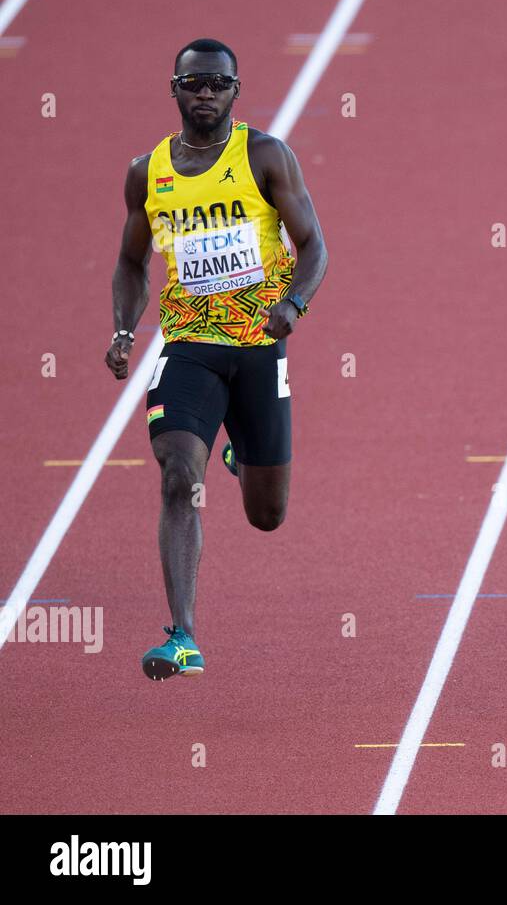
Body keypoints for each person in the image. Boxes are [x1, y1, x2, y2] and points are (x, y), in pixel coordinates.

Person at [105, 38, 329, 679]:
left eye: (217, 84)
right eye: (193, 83)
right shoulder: (147, 173)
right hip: (188, 348)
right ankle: (184, 635)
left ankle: (240, 452)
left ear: (237, 90)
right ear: (172, 89)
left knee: (267, 515)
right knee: (178, 475)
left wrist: (294, 305)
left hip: (259, 346)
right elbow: (129, 260)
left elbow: (314, 245)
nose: (205, 93)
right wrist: (124, 330)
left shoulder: (264, 156)